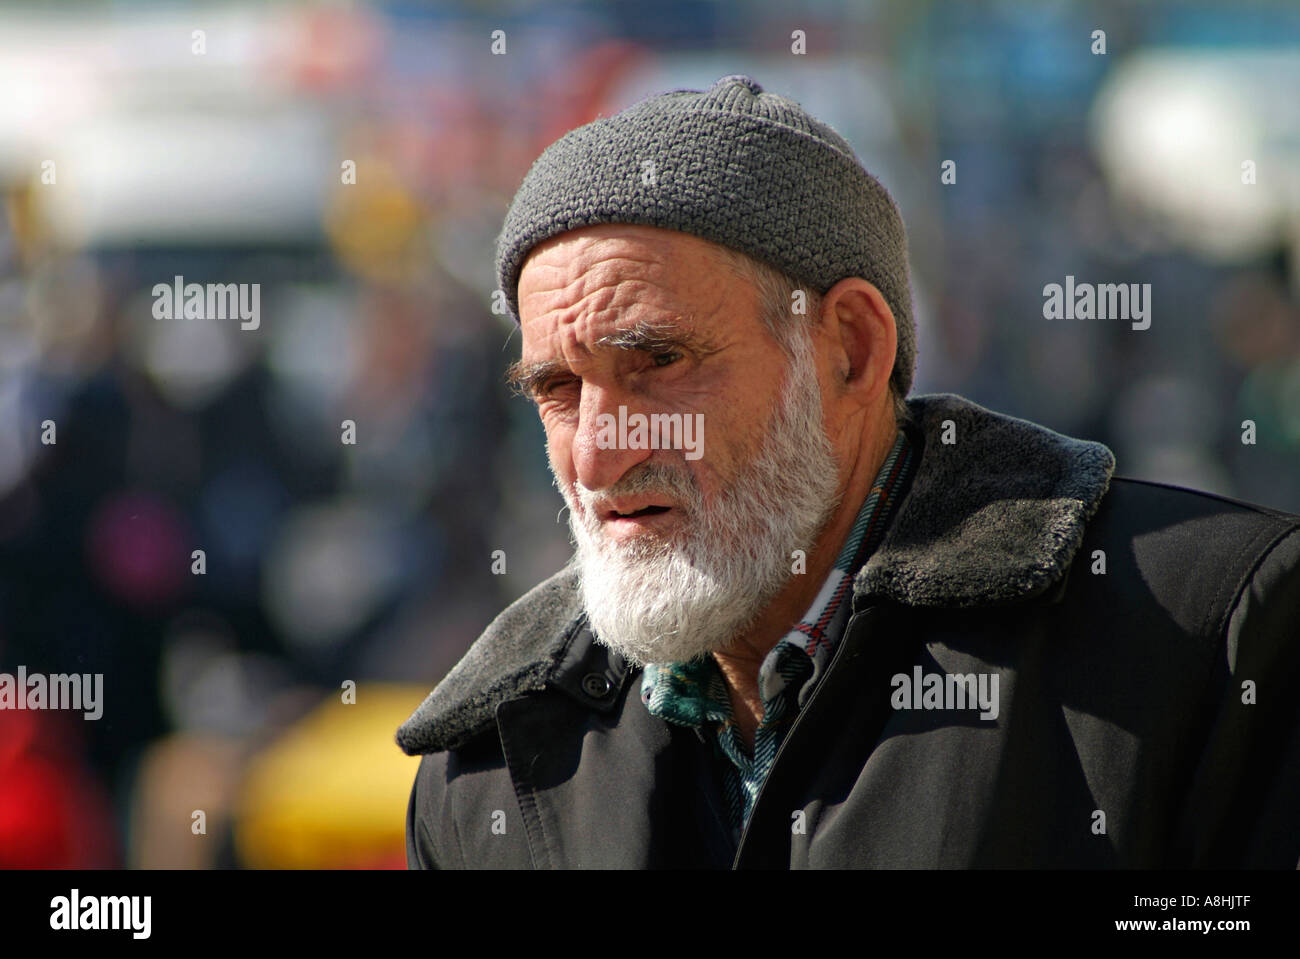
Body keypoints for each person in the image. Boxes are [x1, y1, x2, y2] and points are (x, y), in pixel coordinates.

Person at [397, 74, 1300, 868]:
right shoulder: (491, 767)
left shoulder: (1209, 638)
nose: (598, 452)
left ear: (851, 350)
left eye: (658, 363)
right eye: (558, 388)